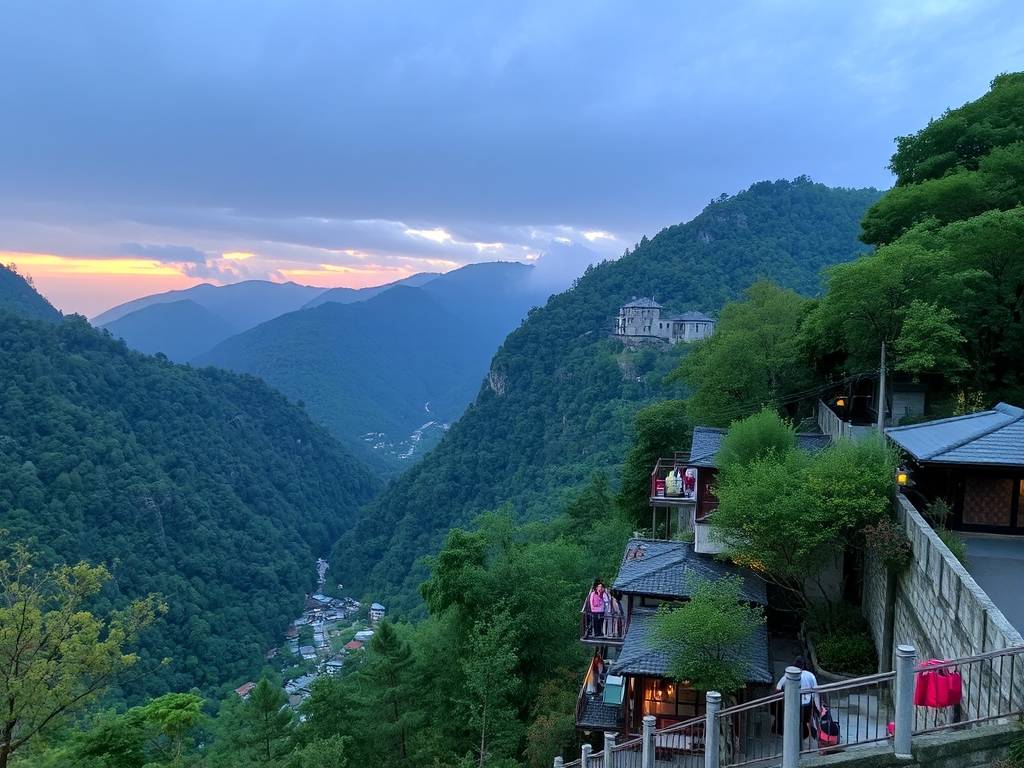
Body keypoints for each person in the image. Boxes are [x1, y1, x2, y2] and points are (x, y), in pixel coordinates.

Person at [775, 656, 823, 745]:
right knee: (807, 721)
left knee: (793, 721)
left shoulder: (788, 675)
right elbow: (816, 692)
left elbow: (778, 687)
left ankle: (792, 740)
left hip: (793, 703)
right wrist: (818, 708)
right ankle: (809, 739)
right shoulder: (810, 675)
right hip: (807, 704)